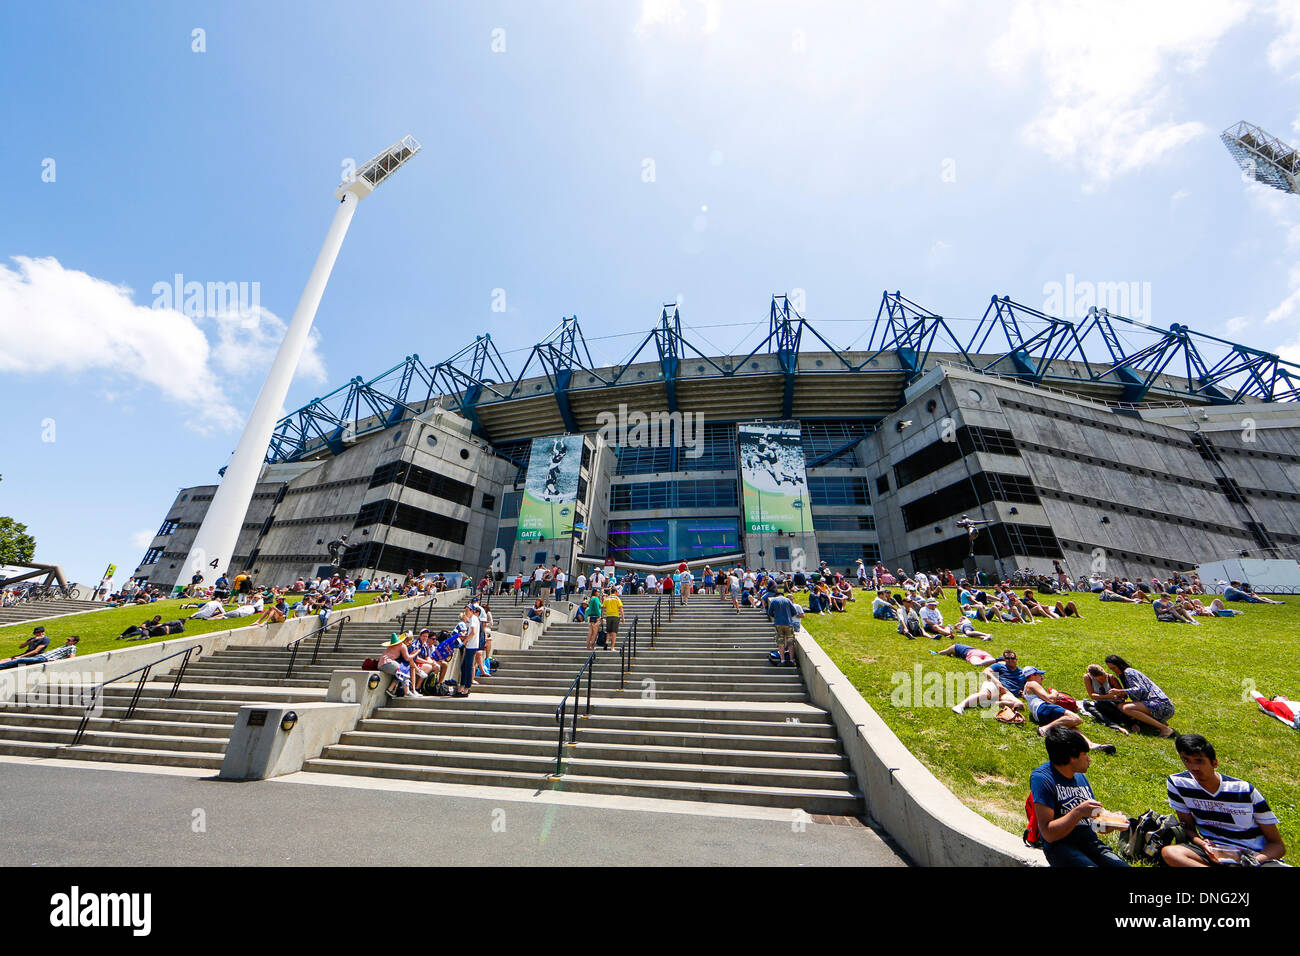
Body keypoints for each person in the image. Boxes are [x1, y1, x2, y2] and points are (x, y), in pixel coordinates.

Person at [1162, 734, 1287, 866]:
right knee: (1171, 853)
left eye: (1199, 761)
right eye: (1186, 760)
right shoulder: (1178, 784)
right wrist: (1203, 844)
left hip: (1252, 856)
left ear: (1214, 763)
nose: (1193, 767)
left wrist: (1253, 861)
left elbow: (1277, 845)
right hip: (1212, 852)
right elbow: (1187, 827)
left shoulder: (1243, 790)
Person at [1030, 727, 1129, 867]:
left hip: (1090, 844)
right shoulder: (1042, 778)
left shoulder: (1080, 777)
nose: (1090, 759)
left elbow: (1096, 825)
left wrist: (1113, 822)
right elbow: (1048, 833)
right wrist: (1078, 811)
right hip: (1061, 847)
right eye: (1085, 755)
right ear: (1072, 756)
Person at [1021, 666, 1115, 753]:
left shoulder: (1028, 688)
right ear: (1033, 675)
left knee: (1071, 726)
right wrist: (1055, 693)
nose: (1042, 678)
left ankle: (1090, 745)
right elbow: (1050, 700)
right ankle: (1044, 729)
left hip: (1040, 713)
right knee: (1076, 719)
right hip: (1043, 707)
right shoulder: (1031, 683)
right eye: (1040, 675)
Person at [1105, 654, 1176, 738]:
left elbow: (1141, 689)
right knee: (1122, 706)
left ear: (1119, 664)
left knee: (1125, 708)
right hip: (1160, 705)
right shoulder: (1125, 675)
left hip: (1161, 704)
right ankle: (1160, 723)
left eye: (1114, 668)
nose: (1114, 671)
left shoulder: (1128, 672)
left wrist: (1122, 691)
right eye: (1111, 669)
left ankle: (1165, 729)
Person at [1081, 664, 1131, 734]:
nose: (1103, 679)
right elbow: (1092, 695)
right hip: (1101, 702)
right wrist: (1108, 696)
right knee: (1086, 703)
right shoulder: (1087, 677)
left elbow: (1124, 696)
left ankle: (1114, 723)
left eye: (1104, 677)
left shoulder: (1111, 678)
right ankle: (1114, 724)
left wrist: (1115, 696)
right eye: (1101, 679)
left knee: (1099, 704)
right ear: (1093, 677)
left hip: (1113, 704)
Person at [767, 588, 803, 666]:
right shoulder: (788, 600)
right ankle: (791, 660)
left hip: (778, 624)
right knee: (790, 642)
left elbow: (770, 612)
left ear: (776, 595)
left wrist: (776, 616)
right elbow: (794, 612)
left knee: (781, 642)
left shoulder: (774, 601)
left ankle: (782, 660)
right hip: (788, 623)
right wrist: (789, 616)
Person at [0, 635, 80, 670]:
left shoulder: (72, 647)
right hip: (40, 656)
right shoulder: (64, 646)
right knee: (18, 664)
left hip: (44, 658)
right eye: (67, 639)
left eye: (69, 640)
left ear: (74, 642)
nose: (67, 641)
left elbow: (71, 659)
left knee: (20, 661)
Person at [932, 642, 997, 666]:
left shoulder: (954, 646)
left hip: (972, 654)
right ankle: (999, 660)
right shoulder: (964, 647)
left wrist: (936, 653)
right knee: (992, 662)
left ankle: (997, 659)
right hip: (981, 652)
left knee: (977, 664)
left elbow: (942, 652)